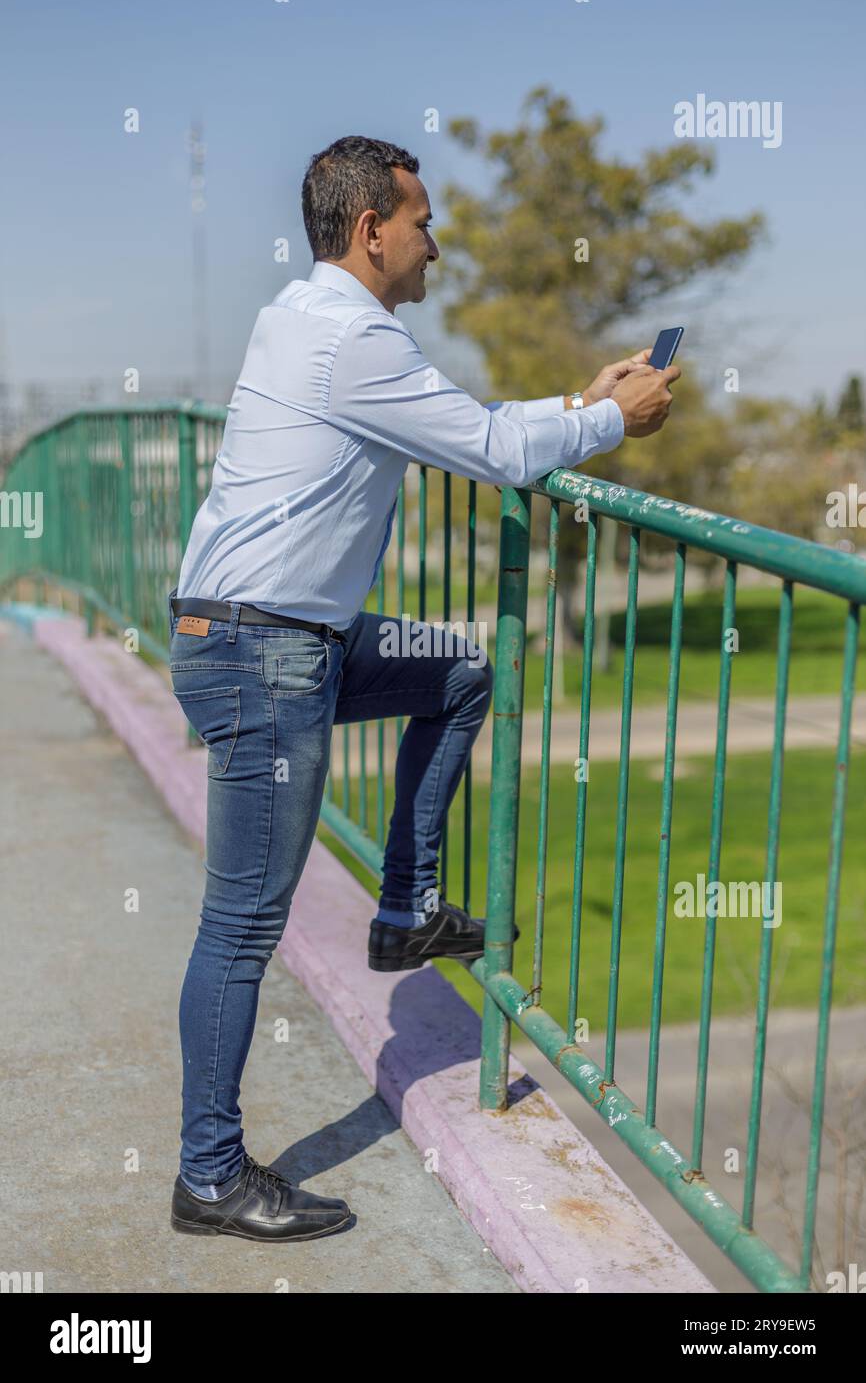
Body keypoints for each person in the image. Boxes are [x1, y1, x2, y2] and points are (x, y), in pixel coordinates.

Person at [168, 135, 679, 1242]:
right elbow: (492, 450)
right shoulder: (352, 339)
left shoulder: (302, 317)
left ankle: (406, 910)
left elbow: (472, 428)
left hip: (279, 638)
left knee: (457, 667)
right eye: (423, 223)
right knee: (242, 925)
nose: (434, 245)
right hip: (263, 654)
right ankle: (208, 1176)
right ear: (372, 231)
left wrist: (575, 399)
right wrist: (612, 421)